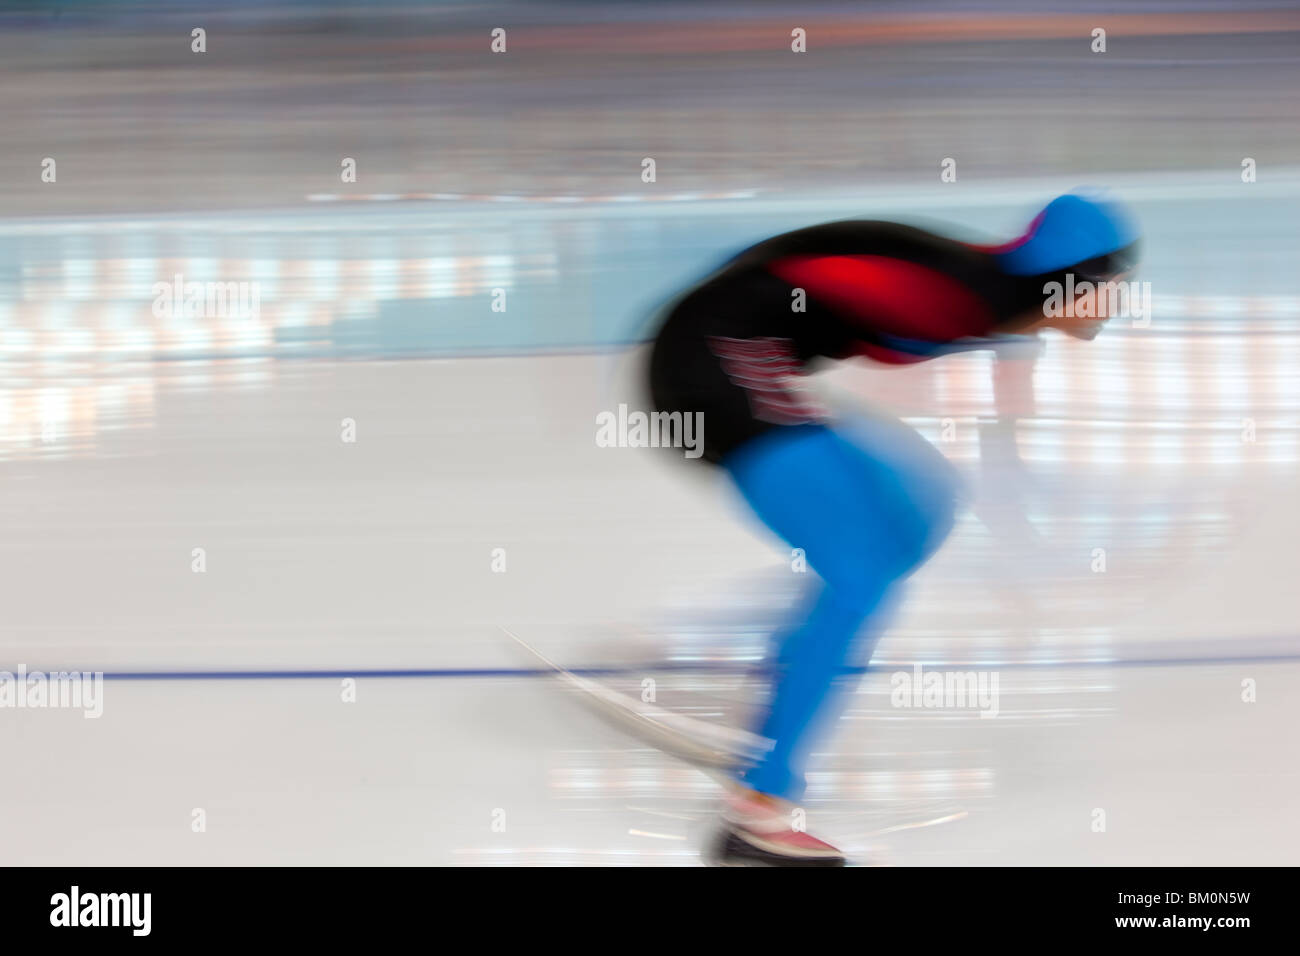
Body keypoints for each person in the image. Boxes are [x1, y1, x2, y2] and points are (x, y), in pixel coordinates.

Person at [646, 192, 1141, 866]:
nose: (1120, 300)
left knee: (916, 514)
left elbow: (1004, 416)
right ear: (1078, 283)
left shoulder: (1005, 301)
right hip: (710, 365)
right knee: (859, 567)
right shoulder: (961, 294)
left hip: (750, 360)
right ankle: (756, 810)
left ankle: (789, 667)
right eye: (1117, 282)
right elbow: (814, 263)